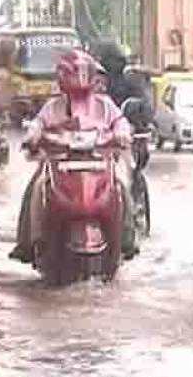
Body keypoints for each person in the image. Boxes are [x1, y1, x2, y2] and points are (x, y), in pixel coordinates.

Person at [10, 50, 134, 263]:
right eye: (74, 74)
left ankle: (128, 239)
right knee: (35, 187)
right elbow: (38, 125)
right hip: (59, 164)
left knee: (121, 185)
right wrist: (33, 137)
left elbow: (121, 123)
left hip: (99, 163)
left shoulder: (105, 105)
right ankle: (27, 242)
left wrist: (122, 134)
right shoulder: (53, 106)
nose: (79, 79)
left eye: (83, 74)